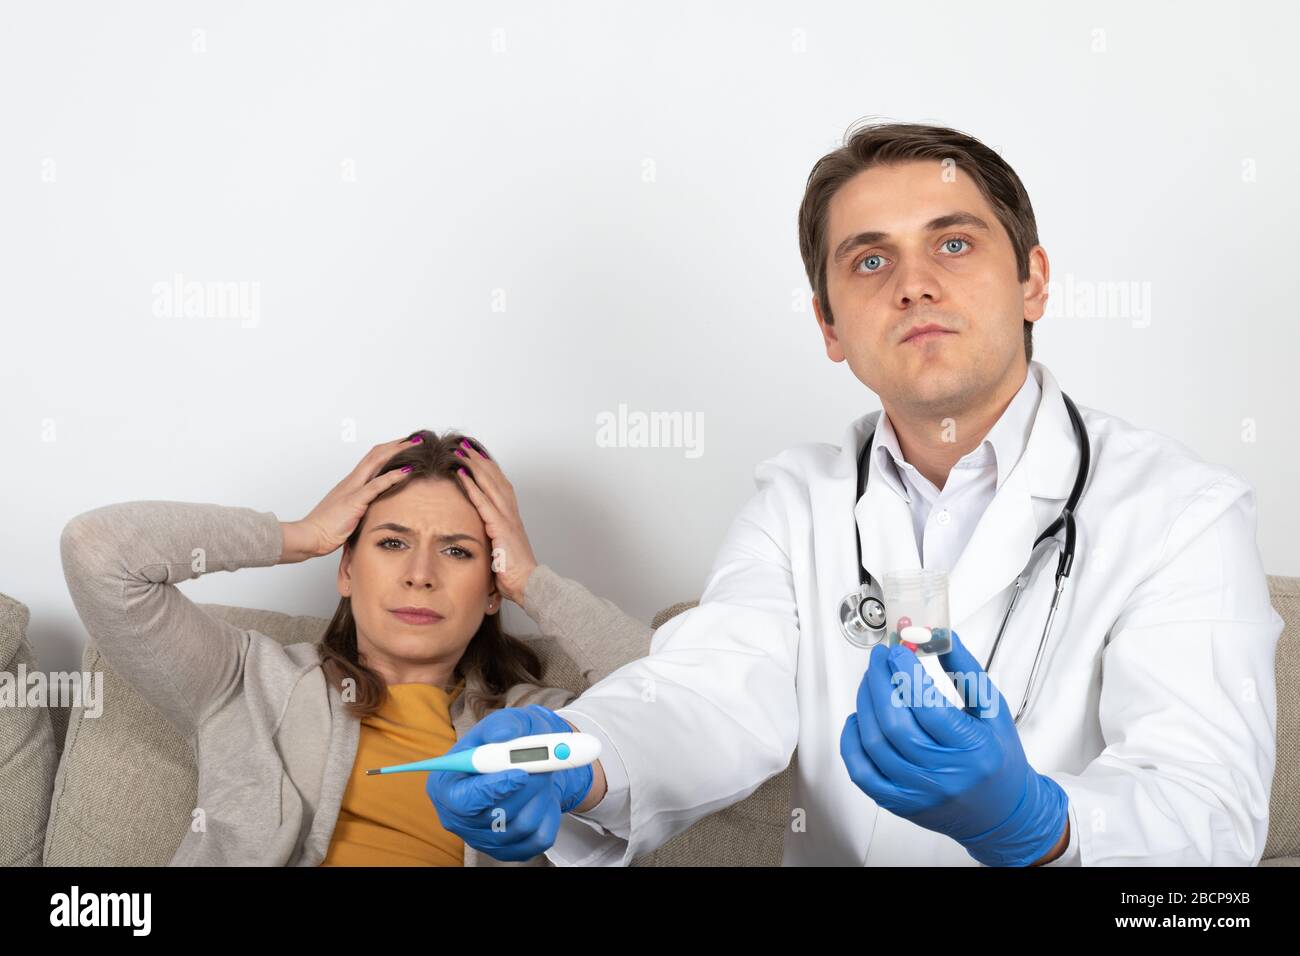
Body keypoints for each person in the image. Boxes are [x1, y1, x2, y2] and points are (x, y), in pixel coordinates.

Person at [428, 120, 1284, 866]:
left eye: (953, 243)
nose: (913, 284)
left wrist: (1039, 826)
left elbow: (1208, 819)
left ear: (1033, 280)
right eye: (870, 259)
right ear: (830, 326)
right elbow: (713, 691)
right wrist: (584, 756)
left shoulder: (1181, 512)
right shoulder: (798, 500)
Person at [58, 430, 651, 865]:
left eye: (457, 551)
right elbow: (98, 552)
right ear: (347, 569)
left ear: (493, 588)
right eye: (392, 543)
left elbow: (686, 703)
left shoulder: (542, 723)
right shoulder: (245, 681)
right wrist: (303, 535)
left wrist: (531, 579)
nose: (420, 574)